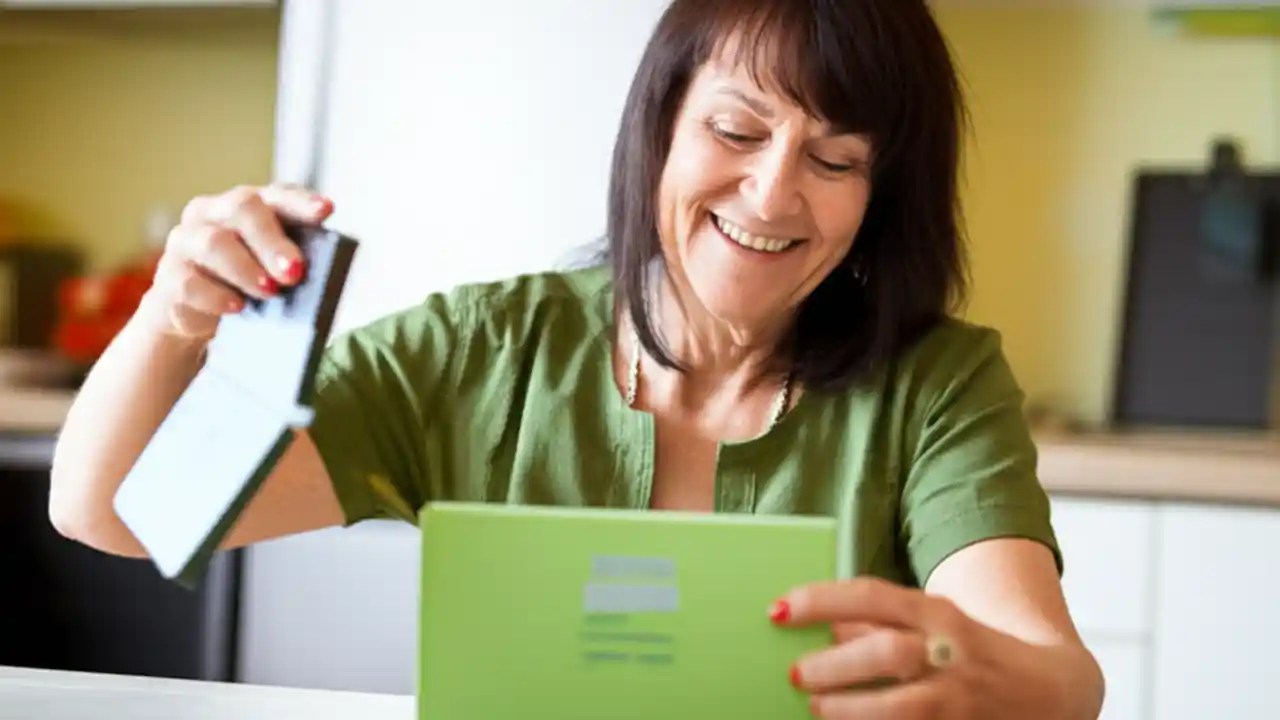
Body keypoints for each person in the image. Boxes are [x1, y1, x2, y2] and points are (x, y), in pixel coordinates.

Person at [49, 0, 1104, 717]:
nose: (774, 195)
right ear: (659, 126)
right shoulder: (481, 351)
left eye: (833, 160)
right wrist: (173, 321)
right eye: (736, 131)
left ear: (878, 202)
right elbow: (114, 511)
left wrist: (971, 673)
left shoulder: (937, 382)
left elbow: (1057, 674)